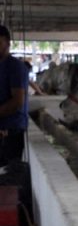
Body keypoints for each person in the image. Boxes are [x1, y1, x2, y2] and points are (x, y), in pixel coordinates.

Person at [0, 25, 29, 167]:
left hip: (11, 130)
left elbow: (17, 101)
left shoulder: (15, 67)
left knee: (8, 173)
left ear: (8, 43)